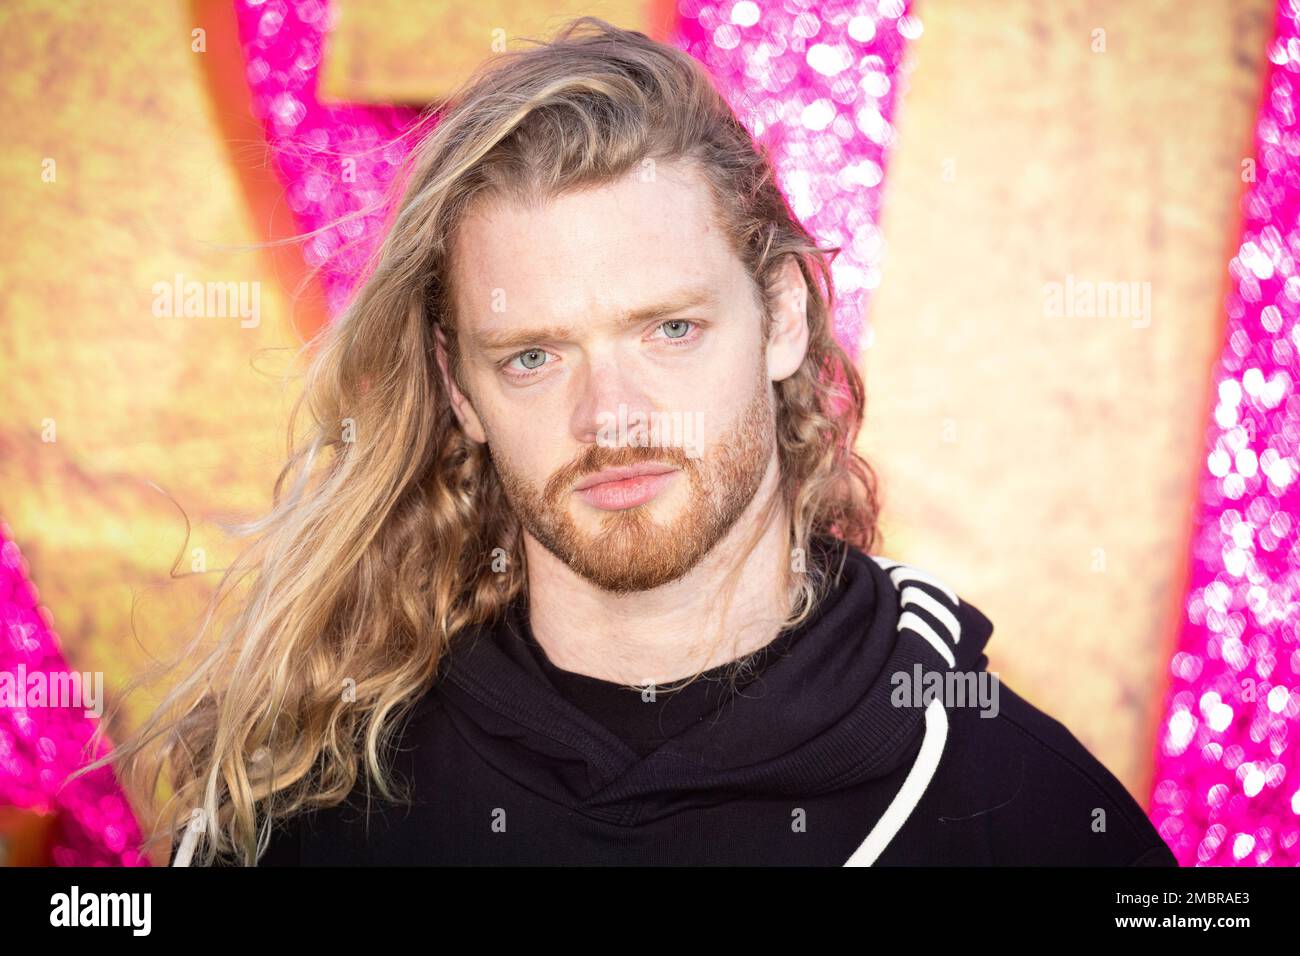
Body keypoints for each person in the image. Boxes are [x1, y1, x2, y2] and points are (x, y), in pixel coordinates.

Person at [108, 16, 1176, 866]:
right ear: (458, 387)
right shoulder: (310, 809)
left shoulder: (1015, 802)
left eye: (669, 330)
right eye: (533, 355)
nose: (609, 415)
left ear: (783, 318)